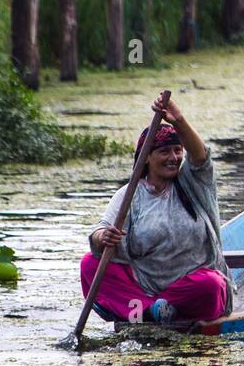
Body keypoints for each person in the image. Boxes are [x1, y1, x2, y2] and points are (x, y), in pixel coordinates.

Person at [81, 91, 232, 324]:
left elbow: (201, 158)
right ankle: (151, 310)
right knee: (89, 265)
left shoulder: (193, 184)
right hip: (146, 288)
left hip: (192, 287)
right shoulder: (129, 194)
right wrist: (103, 237)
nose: (173, 157)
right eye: (164, 151)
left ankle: (149, 310)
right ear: (147, 158)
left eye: (177, 150)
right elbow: (100, 234)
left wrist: (179, 121)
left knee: (211, 285)